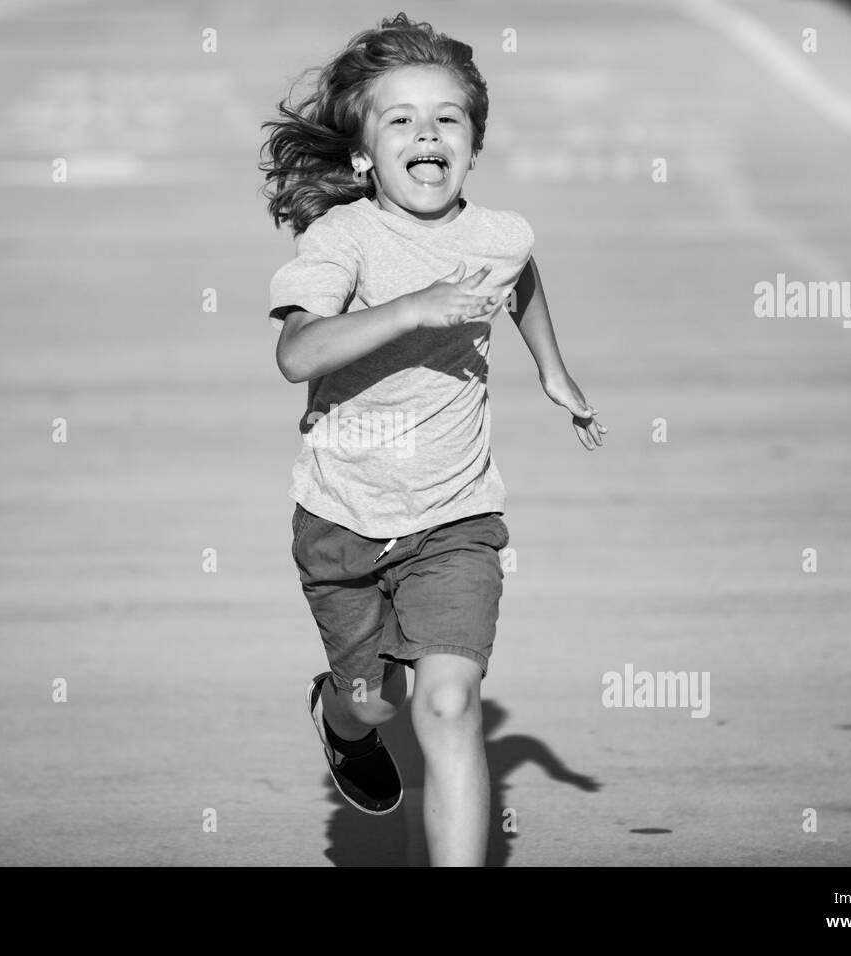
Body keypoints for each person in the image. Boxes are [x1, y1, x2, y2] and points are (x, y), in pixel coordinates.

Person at [259, 12, 606, 867]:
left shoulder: (496, 232)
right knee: (373, 704)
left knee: (448, 706)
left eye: (447, 118)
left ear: (475, 147)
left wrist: (551, 369)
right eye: (400, 119)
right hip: (343, 517)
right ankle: (339, 720)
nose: (426, 133)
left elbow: (517, 271)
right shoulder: (340, 239)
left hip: (456, 517)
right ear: (362, 155)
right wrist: (412, 307)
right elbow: (295, 352)